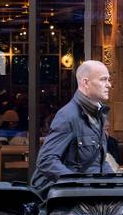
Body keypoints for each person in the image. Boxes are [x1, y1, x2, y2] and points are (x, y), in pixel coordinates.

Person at [31, 60, 115, 191]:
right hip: (72, 202)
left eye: (109, 80)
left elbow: (99, 162)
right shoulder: (68, 115)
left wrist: (116, 182)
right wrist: (77, 184)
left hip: (91, 197)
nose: (109, 85)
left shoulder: (99, 115)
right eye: (103, 80)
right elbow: (46, 160)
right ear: (85, 82)